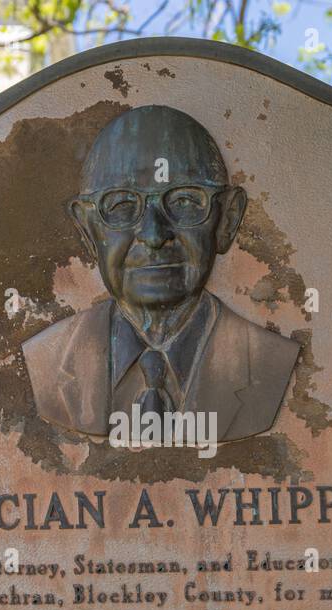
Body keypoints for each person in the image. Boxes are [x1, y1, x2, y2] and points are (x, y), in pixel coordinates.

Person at [22, 105, 300, 443]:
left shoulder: (269, 362)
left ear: (226, 220)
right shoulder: (46, 360)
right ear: (87, 231)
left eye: (184, 202)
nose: (154, 235)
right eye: (122, 205)